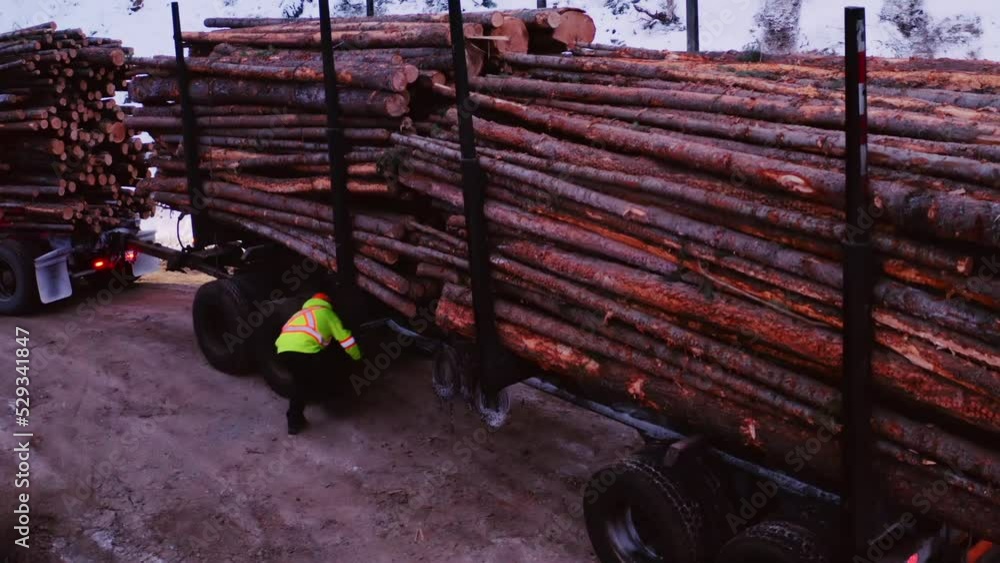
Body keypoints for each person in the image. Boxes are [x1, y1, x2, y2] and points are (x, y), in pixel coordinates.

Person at [274, 292, 362, 434]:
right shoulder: (327, 314)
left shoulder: (300, 313)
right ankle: (299, 419)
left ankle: (295, 420)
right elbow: (346, 340)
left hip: (282, 351)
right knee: (318, 375)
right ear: (327, 304)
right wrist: (358, 357)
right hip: (304, 352)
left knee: (300, 382)